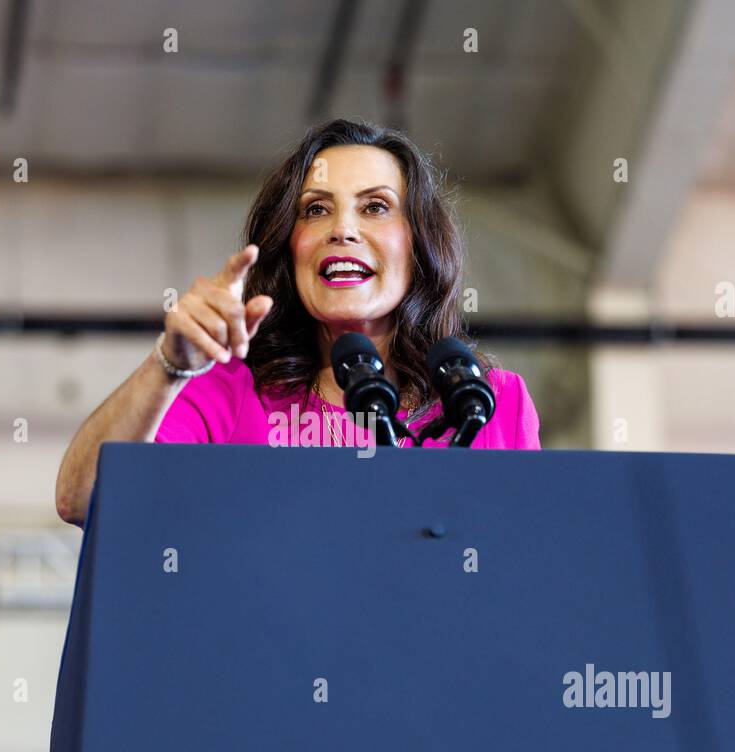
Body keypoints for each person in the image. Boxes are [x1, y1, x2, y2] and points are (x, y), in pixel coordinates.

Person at [55, 119, 541, 527]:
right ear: (290, 248)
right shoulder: (228, 391)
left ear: (419, 245)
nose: (343, 230)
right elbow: (81, 499)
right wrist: (167, 366)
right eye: (316, 210)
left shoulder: (489, 404)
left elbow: (526, 562)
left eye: (375, 207)